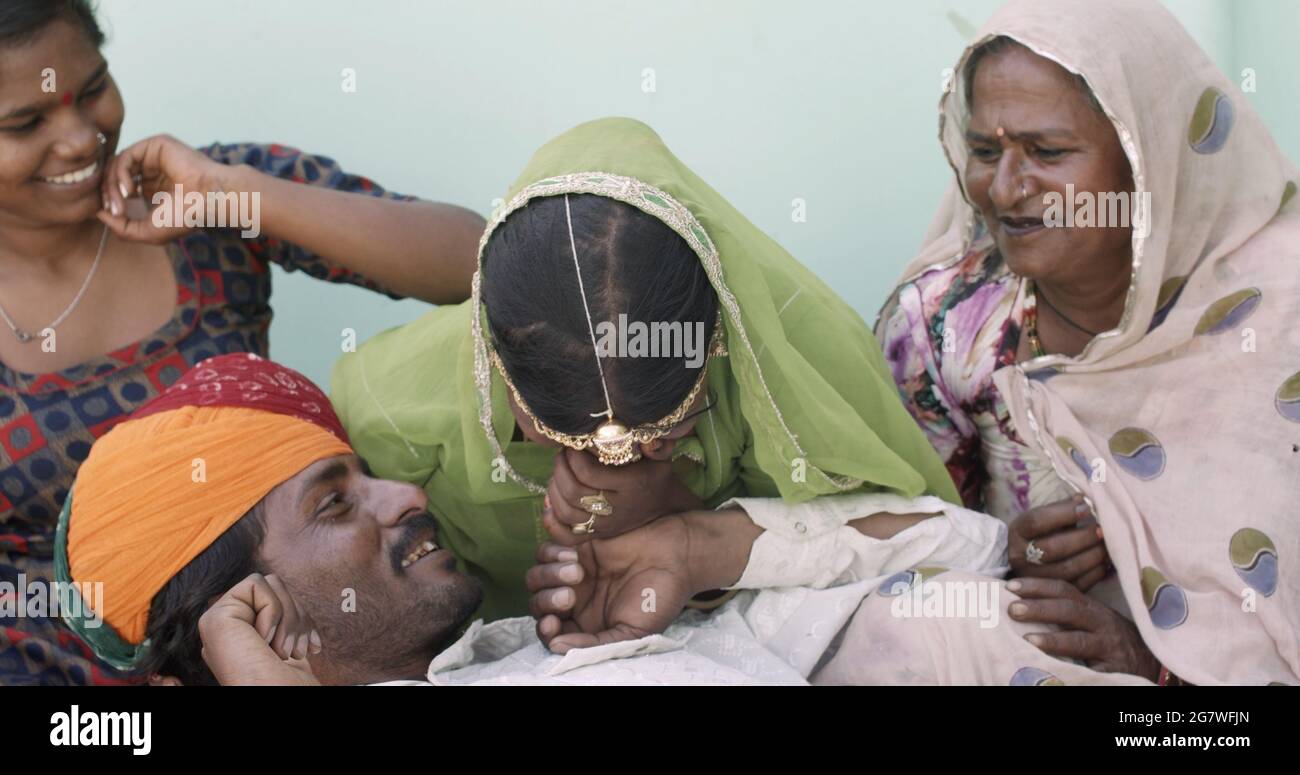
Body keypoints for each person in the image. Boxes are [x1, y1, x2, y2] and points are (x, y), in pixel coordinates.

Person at [57, 354, 1145, 686]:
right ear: (242, 620)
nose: (409, 493)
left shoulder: (548, 649)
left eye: (368, 474)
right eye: (336, 504)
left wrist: (706, 546)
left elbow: (964, 545)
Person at [0, 0, 484, 684]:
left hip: (292, 639)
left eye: (94, 90)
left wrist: (236, 194)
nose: (81, 138)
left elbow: (478, 260)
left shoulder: (200, 196)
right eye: (26, 122)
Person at [331, 117, 959, 623]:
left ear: (715, 328)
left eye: (667, 428)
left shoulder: (802, 351)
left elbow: (939, 548)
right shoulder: (392, 409)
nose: (617, 461)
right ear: (492, 356)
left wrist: (689, 523)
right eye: (564, 436)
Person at [876, 0, 1298, 685]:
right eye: (986, 151)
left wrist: (1152, 665)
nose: (1006, 189)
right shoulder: (946, 323)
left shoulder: (1277, 314)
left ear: (1145, 157)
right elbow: (894, 551)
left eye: (1047, 152)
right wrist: (999, 556)